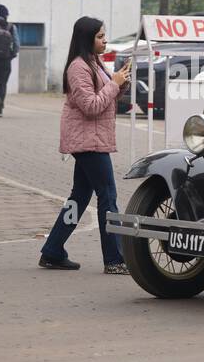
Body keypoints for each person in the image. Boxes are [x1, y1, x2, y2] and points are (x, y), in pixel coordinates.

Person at [39, 17, 134, 275]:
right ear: (87, 38)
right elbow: (91, 106)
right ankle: (114, 259)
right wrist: (114, 83)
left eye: (105, 36)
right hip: (87, 143)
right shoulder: (78, 68)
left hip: (93, 140)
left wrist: (120, 83)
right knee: (108, 196)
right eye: (100, 36)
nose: (105, 40)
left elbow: (107, 99)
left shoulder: (95, 62)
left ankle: (52, 250)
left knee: (79, 197)